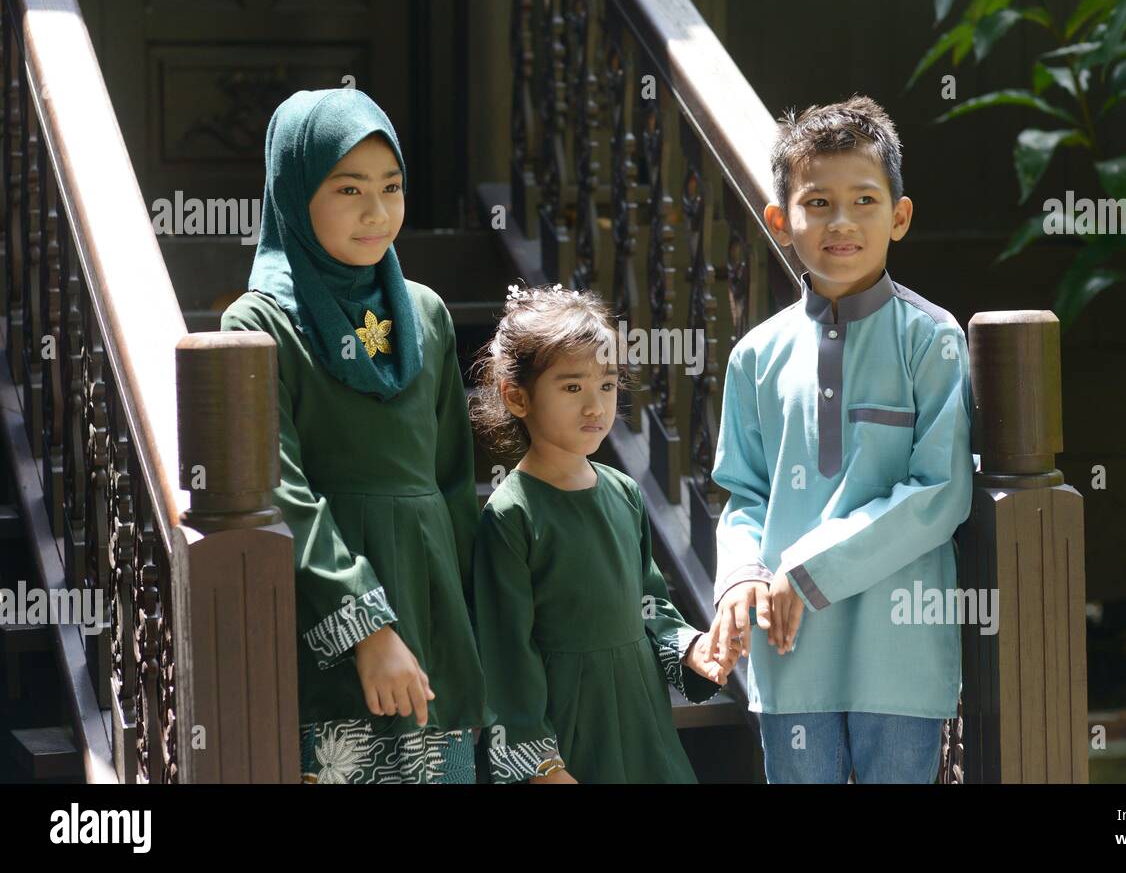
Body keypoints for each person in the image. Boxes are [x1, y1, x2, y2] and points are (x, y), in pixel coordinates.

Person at [220, 88, 490, 783]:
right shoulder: (259, 324)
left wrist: (475, 620)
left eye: (392, 187)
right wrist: (365, 627)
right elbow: (277, 488)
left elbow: (455, 483)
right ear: (294, 190)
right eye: (348, 188)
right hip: (327, 615)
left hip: (433, 608)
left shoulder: (425, 314)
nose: (378, 212)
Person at [703, 93, 974, 783]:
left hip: (899, 658)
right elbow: (742, 494)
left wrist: (806, 565)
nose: (842, 222)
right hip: (790, 658)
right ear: (780, 221)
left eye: (864, 199)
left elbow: (939, 494)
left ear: (900, 216)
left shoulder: (932, 338)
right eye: (818, 203)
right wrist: (739, 574)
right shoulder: (756, 356)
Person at [470, 284, 739, 783]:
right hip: (569, 726)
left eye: (608, 387)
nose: (595, 406)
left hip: (641, 715)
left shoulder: (624, 493)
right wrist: (543, 766)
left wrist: (689, 648)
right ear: (517, 396)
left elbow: (650, 602)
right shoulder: (512, 515)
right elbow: (506, 657)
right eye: (572, 388)